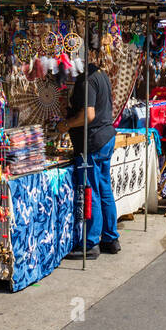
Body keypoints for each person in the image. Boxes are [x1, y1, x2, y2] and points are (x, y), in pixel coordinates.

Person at [63, 58, 118, 258]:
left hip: (93, 142)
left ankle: (91, 242)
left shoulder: (86, 80)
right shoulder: (101, 74)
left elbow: (88, 115)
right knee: (104, 189)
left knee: (92, 190)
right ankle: (111, 238)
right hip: (105, 138)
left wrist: (67, 124)